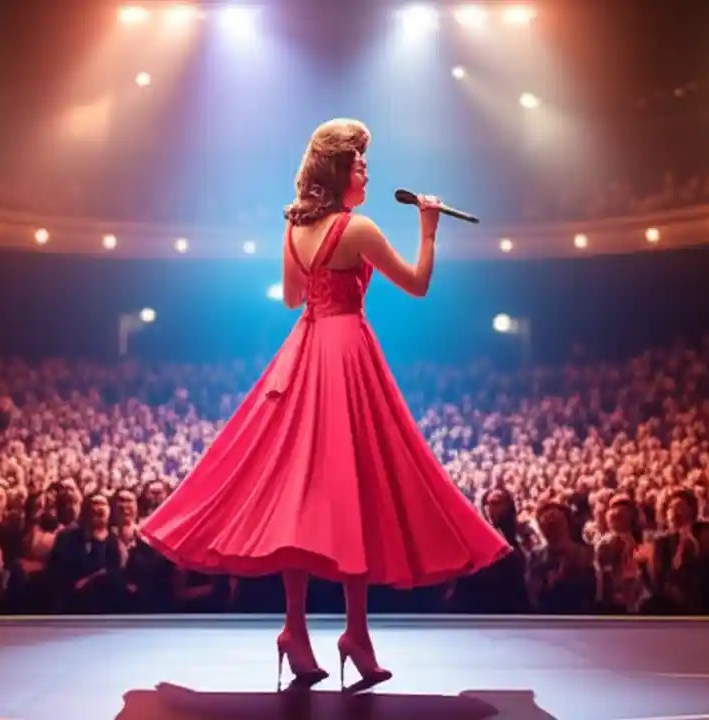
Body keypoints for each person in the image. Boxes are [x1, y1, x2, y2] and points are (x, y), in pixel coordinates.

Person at [139, 118, 511, 691]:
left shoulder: (292, 231)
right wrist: (429, 228)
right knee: (350, 490)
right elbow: (416, 284)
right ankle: (353, 632)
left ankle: (297, 629)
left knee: (301, 498)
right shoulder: (357, 228)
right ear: (340, 171)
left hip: (305, 354)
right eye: (361, 162)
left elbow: (292, 299)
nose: (367, 170)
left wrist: (321, 279)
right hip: (346, 354)